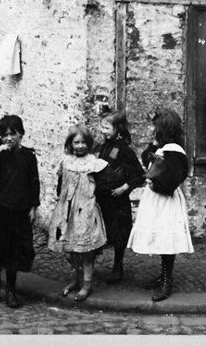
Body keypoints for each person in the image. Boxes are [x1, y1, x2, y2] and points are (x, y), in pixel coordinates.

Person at [128, 108, 194, 302]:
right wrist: (152, 150)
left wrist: (156, 183)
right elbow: (146, 159)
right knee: (160, 237)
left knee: (167, 239)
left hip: (165, 200)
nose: (153, 131)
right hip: (156, 199)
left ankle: (167, 280)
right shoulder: (163, 149)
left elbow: (174, 178)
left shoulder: (174, 152)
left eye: (156, 129)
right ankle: (163, 276)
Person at [0, 114, 40, 308]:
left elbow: (34, 182)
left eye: (13, 134)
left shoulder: (28, 156)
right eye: (5, 135)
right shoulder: (0, 154)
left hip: (18, 210)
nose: (9, 138)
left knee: (13, 253)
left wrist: (34, 207)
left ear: (21, 134)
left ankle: (11, 290)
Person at [48, 124, 108, 301]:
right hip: (67, 210)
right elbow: (61, 185)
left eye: (83, 143)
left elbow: (104, 185)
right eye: (76, 143)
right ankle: (75, 279)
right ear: (71, 144)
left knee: (85, 250)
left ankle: (87, 283)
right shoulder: (66, 162)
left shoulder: (94, 163)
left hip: (86, 211)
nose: (80, 146)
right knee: (70, 249)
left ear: (89, 144)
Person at [94, 110, 145, 285]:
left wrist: (124, 187)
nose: (103, 131)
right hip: (103, 198)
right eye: (102, 127)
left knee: (119, 235)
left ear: (118, 128)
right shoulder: (103, 147)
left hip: (117, 200)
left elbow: (138, 175)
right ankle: (90, 264)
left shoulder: (124, 150)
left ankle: (118, 266)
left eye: (106, 127)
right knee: (101, 230)